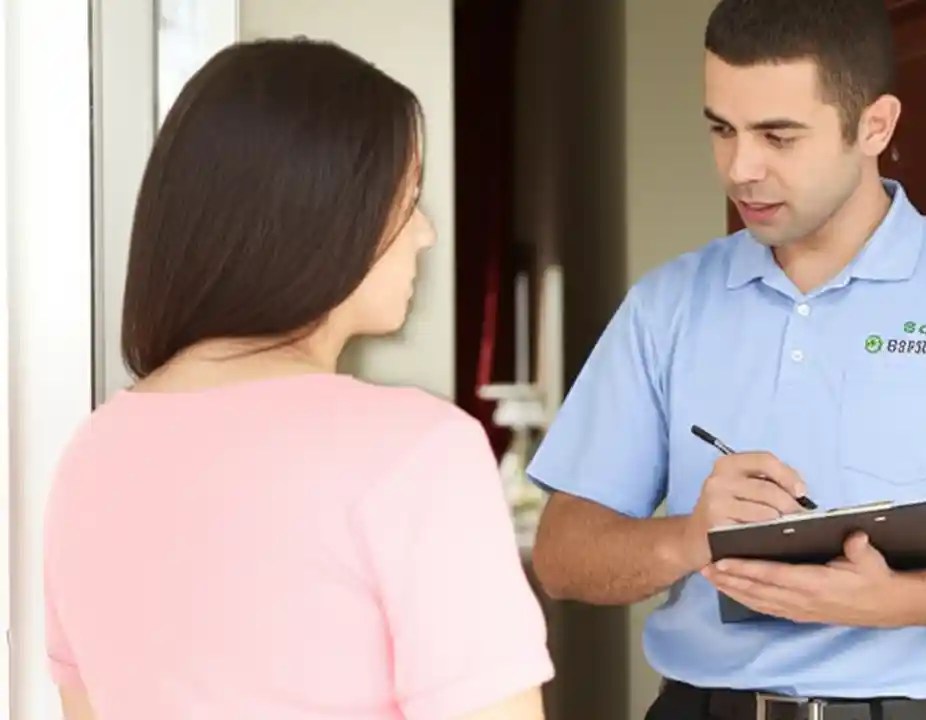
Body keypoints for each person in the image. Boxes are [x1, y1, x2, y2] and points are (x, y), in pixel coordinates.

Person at [527, 1, 926, 719]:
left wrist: (898, 602)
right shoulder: (665, 305)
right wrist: (687, 537)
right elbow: (563, 553)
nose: (742, 167)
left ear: (875, 126)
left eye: (779, 136)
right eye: (721, 130)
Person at [43, 39, 552, 720]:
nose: (424, 233)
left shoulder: (92, 453)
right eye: (406, 198)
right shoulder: (418, 453)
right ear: (324, 211)